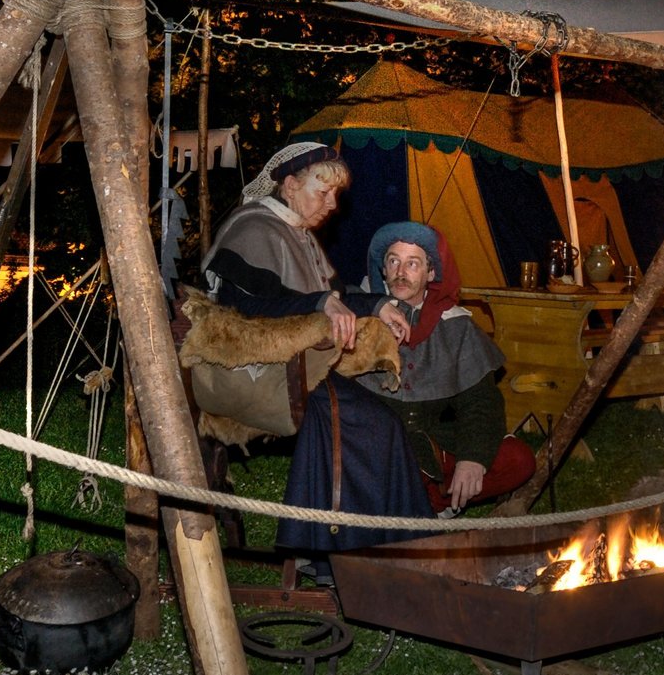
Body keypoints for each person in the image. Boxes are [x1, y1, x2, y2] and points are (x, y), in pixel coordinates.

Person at [200, 141, 430, 556]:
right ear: (289, 186)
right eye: (323, 193)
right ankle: (339, 552)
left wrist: (380, 304)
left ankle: (389, 547)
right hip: (258, 372)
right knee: (371, 426)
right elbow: (244, 306)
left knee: (383, 423)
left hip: (299, 367)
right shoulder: (253, 227)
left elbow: (334, 296)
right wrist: (318, 303)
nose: (332, 205)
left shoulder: (297, 235)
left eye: (336, 195)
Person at [359, 221, 536, 514]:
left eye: (412, 264)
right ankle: (415, 503)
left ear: (431, 273)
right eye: (394, 261)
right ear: (383, 269)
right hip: (379, 445)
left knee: (518, 460)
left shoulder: (457, 326)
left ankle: (437, 503)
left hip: (436, 442)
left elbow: (480, 403)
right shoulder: (360, 314)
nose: (401, 273)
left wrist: (472, 458)